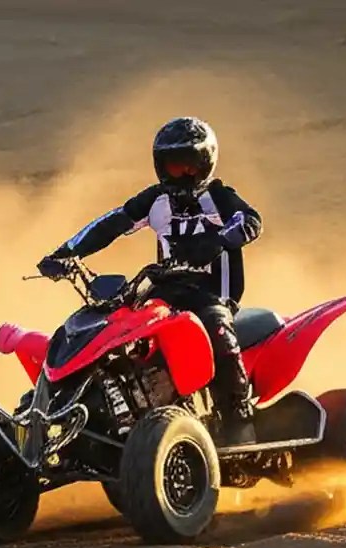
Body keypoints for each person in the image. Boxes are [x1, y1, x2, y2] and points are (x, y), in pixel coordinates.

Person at [37, 116, 263, 445]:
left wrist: (219, 241)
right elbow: (110, 224)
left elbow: (251, 221)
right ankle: (112, 413)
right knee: (118, 329)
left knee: (217, 331)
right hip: (165, 294)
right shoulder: (156, 199)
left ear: (205, 164)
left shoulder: (220, 197)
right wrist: (66, 252)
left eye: (189, 166)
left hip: (213, 296)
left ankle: (239, 419)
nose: (182, 174)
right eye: (173, 166)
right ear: (160, 167)